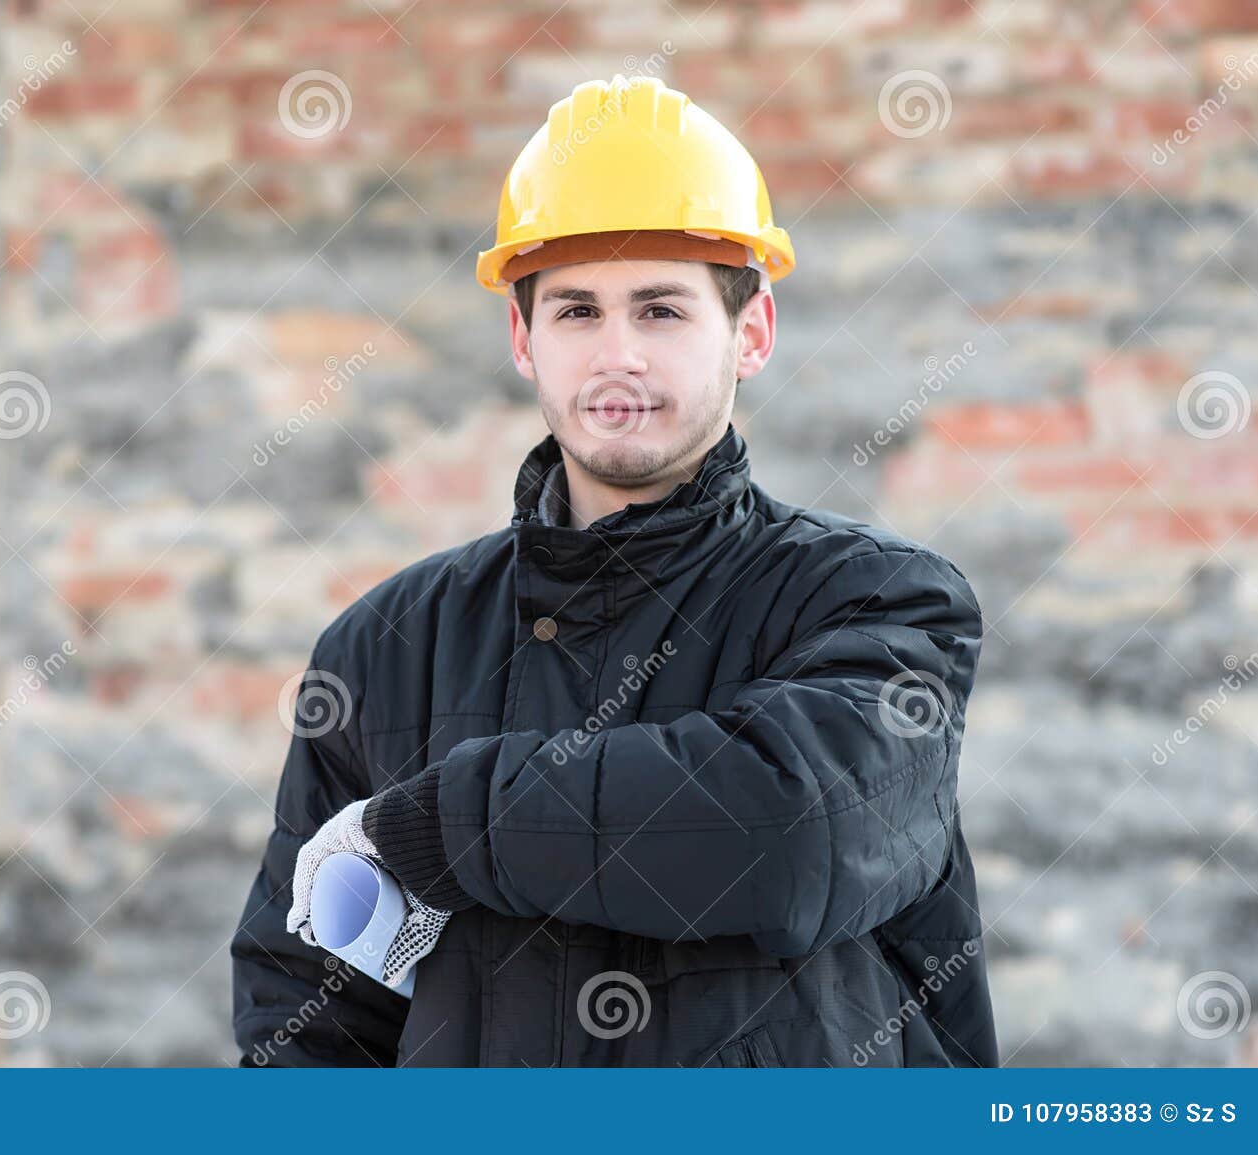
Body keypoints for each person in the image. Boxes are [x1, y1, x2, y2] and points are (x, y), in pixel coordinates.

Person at [230, 74, 997, 1067]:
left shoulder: (876, 599)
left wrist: (436, 824)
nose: (617, 356)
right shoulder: (388, 646)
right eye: (578, 311)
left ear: (751, 332)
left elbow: (790, 836)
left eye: (662, 311)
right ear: (523, 339)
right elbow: (305, 1018)